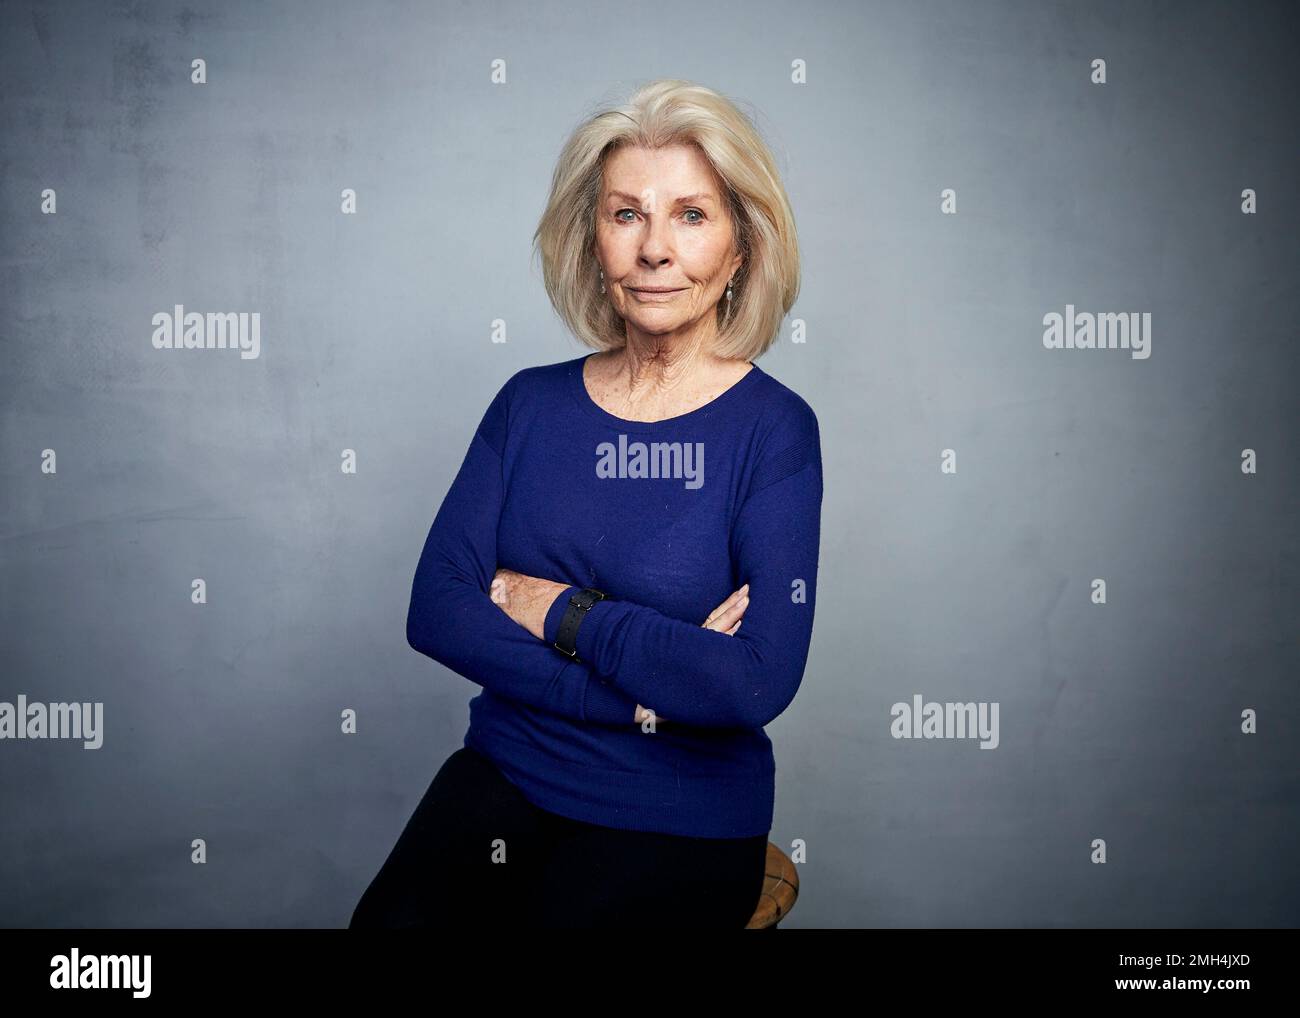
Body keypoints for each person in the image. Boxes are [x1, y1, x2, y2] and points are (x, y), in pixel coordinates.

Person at [350, 78, 822, 929]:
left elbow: (753, 679)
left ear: (741, 247)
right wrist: (639, 695)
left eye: (690, 215)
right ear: (593, 238)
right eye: (625, 214)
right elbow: (438, 610)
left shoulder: (775, 430)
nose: (654, 251)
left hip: (682, 808)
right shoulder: (529, 405)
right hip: (510, 770)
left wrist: (559, 610)